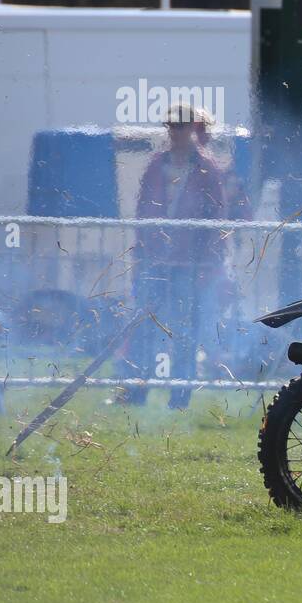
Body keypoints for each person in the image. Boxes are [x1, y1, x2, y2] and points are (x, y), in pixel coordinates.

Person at [125, 107, 230, 409]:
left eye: (182, 126)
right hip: (155, 261)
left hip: (189, 264)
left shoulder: (206, 167)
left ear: (193, 128)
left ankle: (179, 396)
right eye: (171, 126)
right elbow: (143, 210)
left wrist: (207, 262)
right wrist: (143, 250)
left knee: (184, 331)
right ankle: (137, 391)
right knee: (145, 327)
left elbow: (216, 217)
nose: (176, 131)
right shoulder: (156, 164)